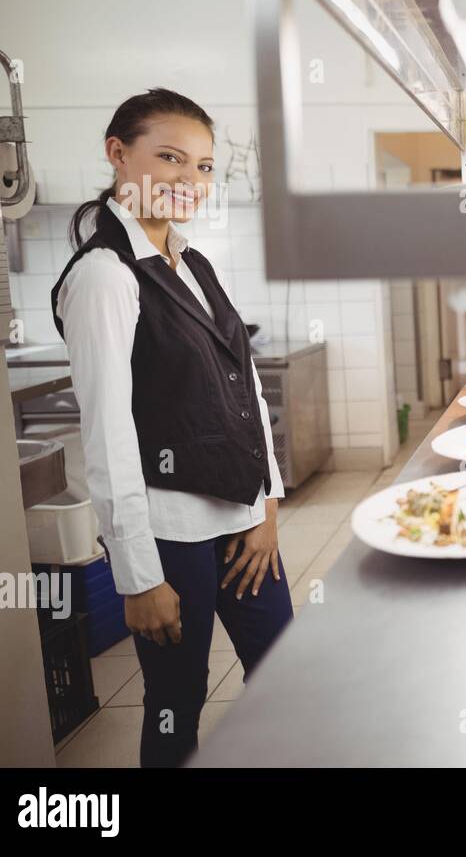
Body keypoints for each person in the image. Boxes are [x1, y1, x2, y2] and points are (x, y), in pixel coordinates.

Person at [51, 88, 291, 765]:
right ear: (118, 156)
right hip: (174, 539)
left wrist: (267, 503)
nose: (192, 180)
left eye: (205, 166)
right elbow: (107, 437)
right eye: (171, 158)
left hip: (246, 527)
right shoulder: (104, 278)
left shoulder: (192, 263)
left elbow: (241, 384)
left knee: (283, 683)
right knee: (174, 709)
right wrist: (137, 577)